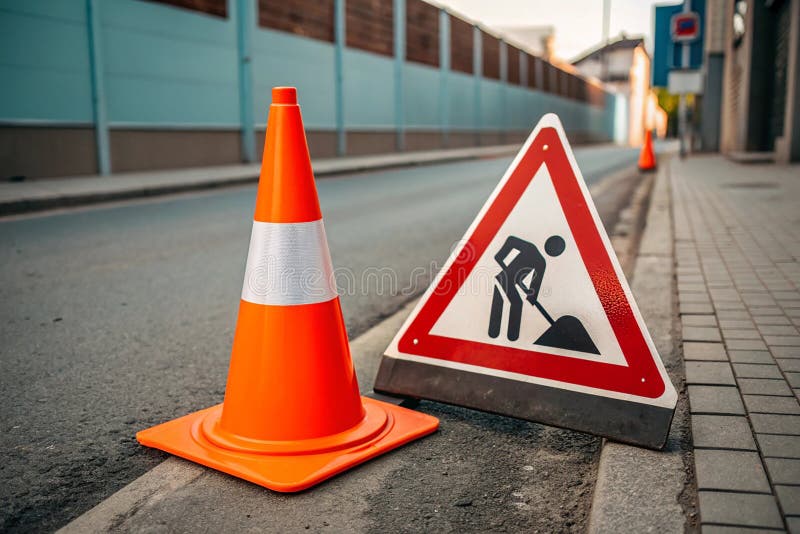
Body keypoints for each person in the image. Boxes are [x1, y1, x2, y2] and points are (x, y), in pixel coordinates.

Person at [488, 235, 565, 341]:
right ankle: (495, 333)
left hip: (510, 281)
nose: (555, 251)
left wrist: (531, 295)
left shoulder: (541, 261)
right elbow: (511, 240)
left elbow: (535, 285)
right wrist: (500, 257)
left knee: (516, 303)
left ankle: (510, 336)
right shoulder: (531, 249)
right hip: (504, 278)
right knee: (508, 300)